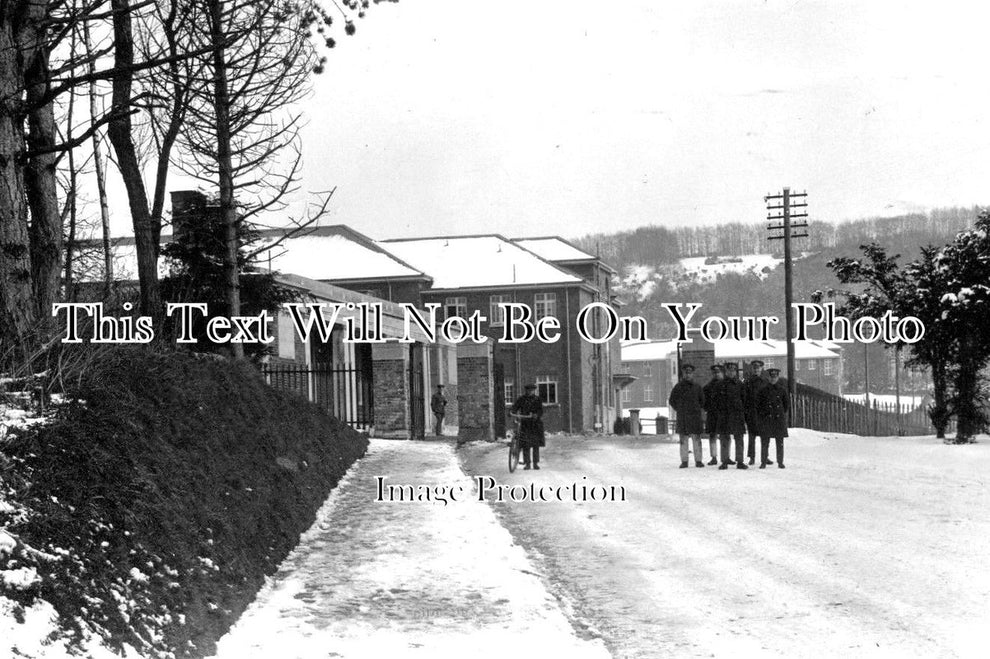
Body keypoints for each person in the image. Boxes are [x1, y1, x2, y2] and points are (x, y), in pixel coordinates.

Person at [668, 364, 706, 468]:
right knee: (683, 439)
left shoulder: (697, 387)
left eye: (690, 373)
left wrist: (696, 409)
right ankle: (684, 461)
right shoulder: (678, 387)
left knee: (697, 439)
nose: (688, 375)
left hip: (695, 417)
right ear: (683, 374)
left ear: (692, 374)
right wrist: (679, 409)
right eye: (686, 373)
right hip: (683, 417)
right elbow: (672, 400)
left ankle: (698, 460)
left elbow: (702, 401)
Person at [717, 362, 748, 470]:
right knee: (724, 439)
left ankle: (740, 461)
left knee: (739, 439)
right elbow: (716, 401)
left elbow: (744, 399)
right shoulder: (720, 384)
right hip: (724, 415)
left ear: (735, 372)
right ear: (726, 372)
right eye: (729, 371)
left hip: (737, 415)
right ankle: (724, 461)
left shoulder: (740, 384)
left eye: (733, 371)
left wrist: (741, 411)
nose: (731, 372)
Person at [757, 368, 789, 468]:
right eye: (771, 377)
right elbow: (758, 405)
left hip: (778, 419)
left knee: (779, 442)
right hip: (767, 419)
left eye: (775, 377)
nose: (773, 379)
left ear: (778, 378)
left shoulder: (782, 390)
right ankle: (763, 462)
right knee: (765, 442)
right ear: (768, 377)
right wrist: (763, 415)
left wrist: (780, 413)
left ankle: (780, 462)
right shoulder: (763, 390)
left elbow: (786, 405)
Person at [510, 384, 545, 469]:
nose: (530, 392)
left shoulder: (537, 399)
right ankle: (527, 463)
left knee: (535, 444)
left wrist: (536, 415)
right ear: (526, 391)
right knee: (526, 444)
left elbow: (541, 410)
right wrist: (511, 411)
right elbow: (515, 407)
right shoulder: (522, 399)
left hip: (535, 424)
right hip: (525, 424)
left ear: (534, 391)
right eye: (528, 390)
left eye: (532, 390)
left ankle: (535, 463)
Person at [743, 359, 769, 466]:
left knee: (765, 436)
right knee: (752, 436)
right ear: (752, 369)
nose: (756, 370)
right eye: (754, 368)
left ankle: (765, 457)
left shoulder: (766, 382)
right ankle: (752, 457)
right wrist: (746, 412)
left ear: (761, 369)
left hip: (763, 413)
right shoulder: (747, 382)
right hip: (751, 412)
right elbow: (744, 398)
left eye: (758, 368)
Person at [702, 364, 726, 466]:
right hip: (712, 414)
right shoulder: (707, 387)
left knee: (726, 436)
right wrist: (708, 409)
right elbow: (703, 401)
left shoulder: (727, 385)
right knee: (713, 435)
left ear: (722, 373)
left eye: (718, 372)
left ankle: (726, 456)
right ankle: (714, 457)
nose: (716, 374)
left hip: (725, 414)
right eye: (714, 373)